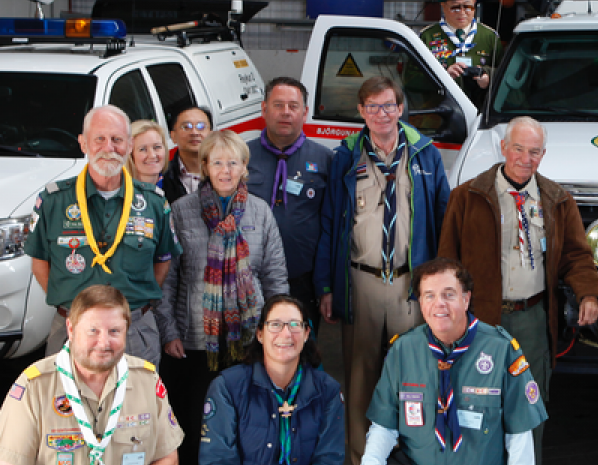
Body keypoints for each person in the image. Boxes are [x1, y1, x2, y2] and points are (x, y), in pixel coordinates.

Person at [438, 116, 598, 464]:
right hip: (479, 321)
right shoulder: (466, 197)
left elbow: (576, 255)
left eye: (534, 151)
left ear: (543, 155)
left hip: (532, 319)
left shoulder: (558, 200)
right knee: (474, 408)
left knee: (529, 408)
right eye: (518, 149)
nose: (525, 158)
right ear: (503, 148)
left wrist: (589, 293)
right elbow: (446, 264)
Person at [314, 76, 451, 465]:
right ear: (360, 112)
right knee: (361, 379)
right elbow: (330, 224)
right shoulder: (346, 155)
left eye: (388, 105)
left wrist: (440, 285)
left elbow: (442, 215)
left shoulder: (425, 153)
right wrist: (327, 286)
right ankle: (361, 457)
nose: (381, 114)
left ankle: (415, 455)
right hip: (362, 280)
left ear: (400, 108)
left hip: (412, 283)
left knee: (415, 376)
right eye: (372, 107)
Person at [158, 130, 288, 465]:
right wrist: (169, 331)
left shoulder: (259, 212)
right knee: (194, 420)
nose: (226, 170)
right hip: (195, 341)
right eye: (217, 162)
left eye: (233, 162)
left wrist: (278, 331)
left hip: (248, 339)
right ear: (205, 166)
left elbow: (274, 278)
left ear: (244, 166)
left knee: (249, 418)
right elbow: (167, 281)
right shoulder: (180, 211)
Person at [26, 105, 177, 366]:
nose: (109, 147)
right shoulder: (53, 201)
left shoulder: (153, 203)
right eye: (99, 139)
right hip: (72, 330)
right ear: (83, 143)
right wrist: (69, 302)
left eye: (117, 139)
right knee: (66, 406)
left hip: (134, 331)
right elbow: (40, 261)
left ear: (129, 145)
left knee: (135, 406)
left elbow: (162, 261)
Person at [360, 258, 548, 465]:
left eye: (449, 295)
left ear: (466, 299)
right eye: (429, 295)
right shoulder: (403, 350)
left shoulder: (502, 350)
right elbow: (384, 426)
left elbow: (519, 434)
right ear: (421, 302)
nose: (439, 303)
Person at [0, 284, 183, 465]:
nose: (103, 343)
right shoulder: (34, 387)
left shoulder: (147, 380)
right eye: (92, 331)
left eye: (114, 331)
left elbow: (167, 457)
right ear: (71, 330)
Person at [200, 294, 345, 465]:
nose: (285, 334)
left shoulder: (328, 391)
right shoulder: (227, 388)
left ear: (306, 334)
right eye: (275, 325)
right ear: (260, 334)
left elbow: (329, 459)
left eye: (294, 325)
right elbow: (217, 459)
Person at [247, 77, 336, 336]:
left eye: (293, 106)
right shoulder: (242, 156)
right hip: (252, 278)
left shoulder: (324, 160)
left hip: (303, 278)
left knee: (300, 347)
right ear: (264, 109)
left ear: (305, 113)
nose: (286, 112)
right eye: (278, 105)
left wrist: (325, 286)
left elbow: (331, 226)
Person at [419, 0, 503, 107]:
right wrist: (442, 76)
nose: (462, 12)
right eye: (455, 7)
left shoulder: (489, 37)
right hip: (440, 112)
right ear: (443, 6)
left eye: (468, 7)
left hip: (480, 110)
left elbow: (505, 74)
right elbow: (409, 78)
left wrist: (488, 75)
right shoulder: (427, 36)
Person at [163, 106, 214, 203]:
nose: (194, 132)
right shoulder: (162, 177)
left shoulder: (227, 171)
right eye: (186, 127)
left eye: (201, 127)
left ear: (211, 134)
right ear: (173, 136)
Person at [128, 120, 169, 186]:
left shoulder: (178, 182)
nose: (152, 155)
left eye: (157, 147)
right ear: (130, 155)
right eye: (143, 149)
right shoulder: (121, 192)